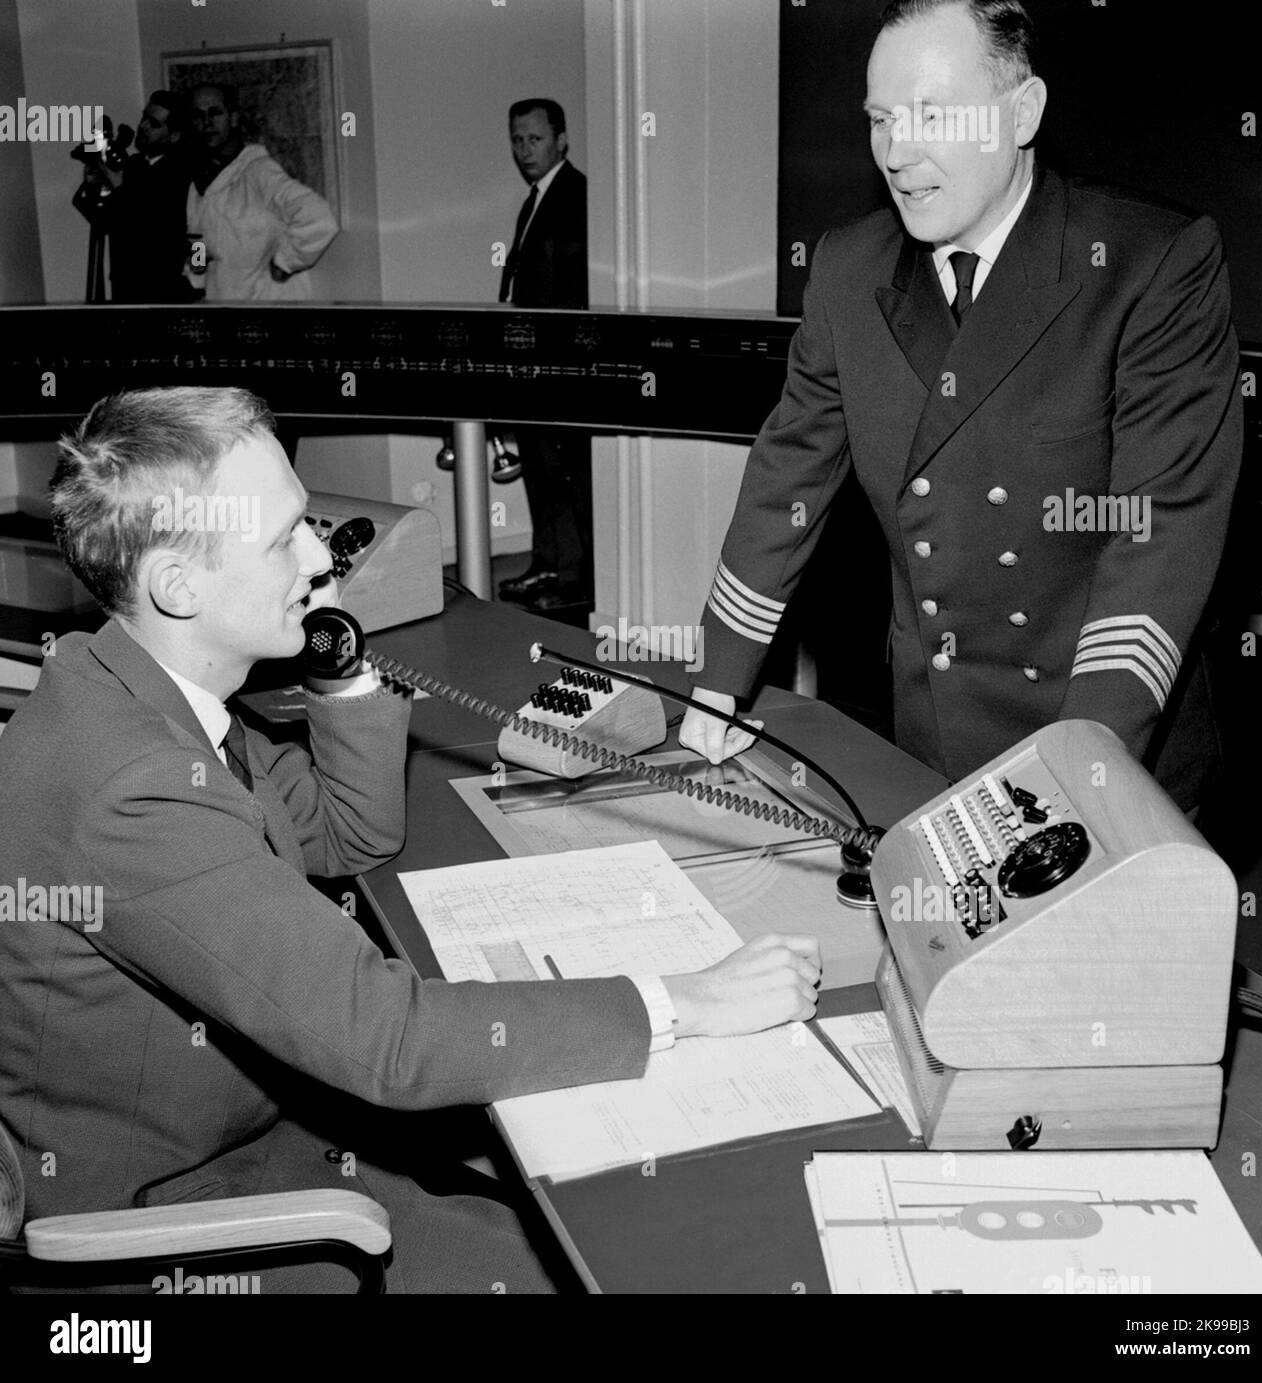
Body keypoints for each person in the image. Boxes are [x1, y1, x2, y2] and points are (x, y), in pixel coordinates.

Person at [0, 386, 820, 1293]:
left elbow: (343, 833)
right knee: (595, 1266)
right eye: (283, 539)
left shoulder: (141, 688)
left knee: (577, 1220)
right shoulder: (137, 787)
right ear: (178, 586)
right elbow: (387, 1040)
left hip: (254, 1124)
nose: (321, 557)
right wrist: (688, 1000)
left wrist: (337, 653)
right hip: (167, 1213)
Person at [680, 0, 1242, 812]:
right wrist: (718, 681)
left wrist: (1082, 768)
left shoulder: (1149, 264)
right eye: (880, 120)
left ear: (1023, 113)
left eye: (932, 115)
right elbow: (786, 480)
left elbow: (1157, 533)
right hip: (938, 738)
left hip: (1107, 739)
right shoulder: (849, 272)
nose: (896, 153)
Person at [496, 98, 594, 612]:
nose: (525, 150)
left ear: (561, 140)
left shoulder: (576, 195)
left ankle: (575, 580)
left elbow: (573, 291)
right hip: (531, 363)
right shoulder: (535, 198)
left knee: (565, 473)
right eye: (517, 140)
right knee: (539, 469)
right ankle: (547, 564)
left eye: (534, 139)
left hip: (560, 365)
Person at [185, 84, 338, 301]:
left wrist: (285, 262)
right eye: (198, 116)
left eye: (215, 113)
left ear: (234, 118)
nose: (206, 122)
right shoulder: (200, 181)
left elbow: (318, 216)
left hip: (267, 304)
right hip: (223, 301)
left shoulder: (258, 171)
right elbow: (198, 239)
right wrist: (198, 271)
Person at [72, 91, 192, 303]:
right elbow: (103, 220)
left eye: (154, 124)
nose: (143, 125)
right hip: (126, 289)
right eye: (144, 117)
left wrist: (116, 183)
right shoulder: (133, 165)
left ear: (174, 136)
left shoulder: (181, 174)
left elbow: (147, 224)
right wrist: (92, 185)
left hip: (165, 291)